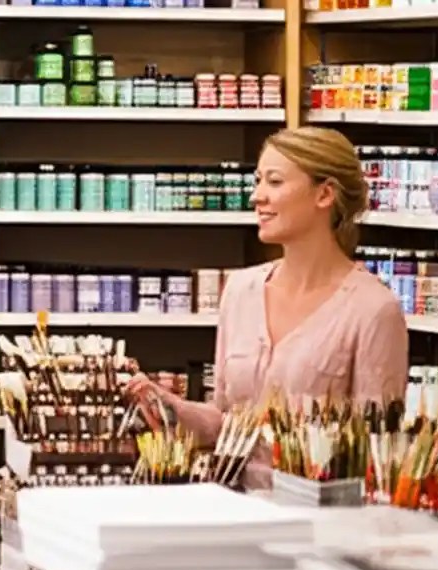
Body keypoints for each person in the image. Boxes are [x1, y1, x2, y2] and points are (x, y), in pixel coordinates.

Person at [125, 126, 409, 490]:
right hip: (234, 515)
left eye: (274, 182)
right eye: (257, 181)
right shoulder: (240, 291)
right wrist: (169, 406)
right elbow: (226, 421)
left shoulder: (373, 310)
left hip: (319, 528)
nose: (257, 197)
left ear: (324, 194)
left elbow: (377, 452)